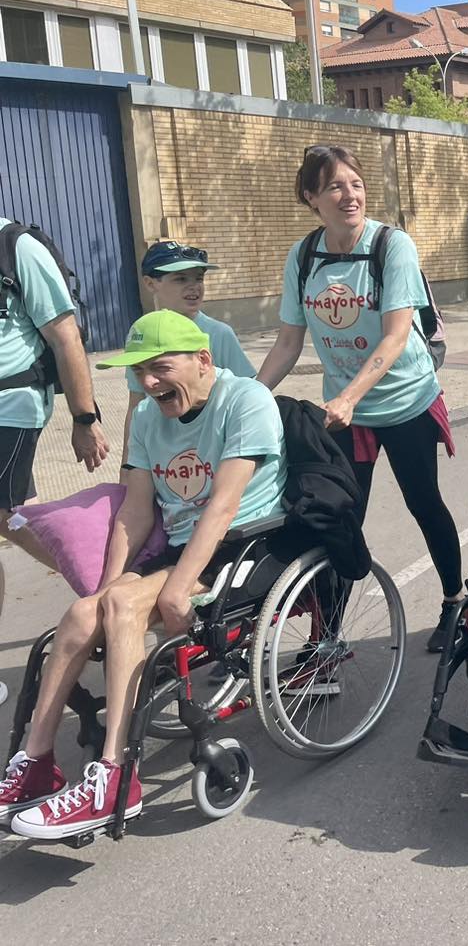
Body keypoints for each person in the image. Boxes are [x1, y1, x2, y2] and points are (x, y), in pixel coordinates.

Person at [1, 311, 286, 838]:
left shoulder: (246, 400)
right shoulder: (151, 419)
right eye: (139, 372)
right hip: (178, 546)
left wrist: (176, 586)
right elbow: (136, 509)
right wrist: (110, 583)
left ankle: (115, 776)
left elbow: (224, 505)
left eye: (160, 367)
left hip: (244, 545)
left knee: (123, 606)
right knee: (87, 610)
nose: (148, 382)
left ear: (203, 359)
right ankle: (35, 757)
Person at [258, 145, 462, 652]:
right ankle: (325, 640)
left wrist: (348, 396)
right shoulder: (304, 256)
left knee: (423, 502)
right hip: (346, 412)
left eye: (355, 184)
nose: (349, 195)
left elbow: (395, 336)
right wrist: (252, 398)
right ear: (311, 197)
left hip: (405, 400)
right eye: (334, 187)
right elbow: (288, 341)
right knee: (340, 516)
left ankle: (456, 602)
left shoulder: (392, 246)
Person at [0, 217, 109, 710]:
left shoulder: (14, 246)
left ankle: (105, 584)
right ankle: (105, 578)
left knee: (6, 515)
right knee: (16, 514)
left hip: (11, 406)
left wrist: (84, 417)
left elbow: (66, 336)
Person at [121, 241, 255, 463]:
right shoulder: (139, 335)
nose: (194, 287)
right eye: (181, 279)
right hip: (162, 454)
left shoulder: (219, 334)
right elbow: (136, 404)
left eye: (199, 278)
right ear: (150, 283)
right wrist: (128, 467)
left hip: (212, 453)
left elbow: (249, 398)